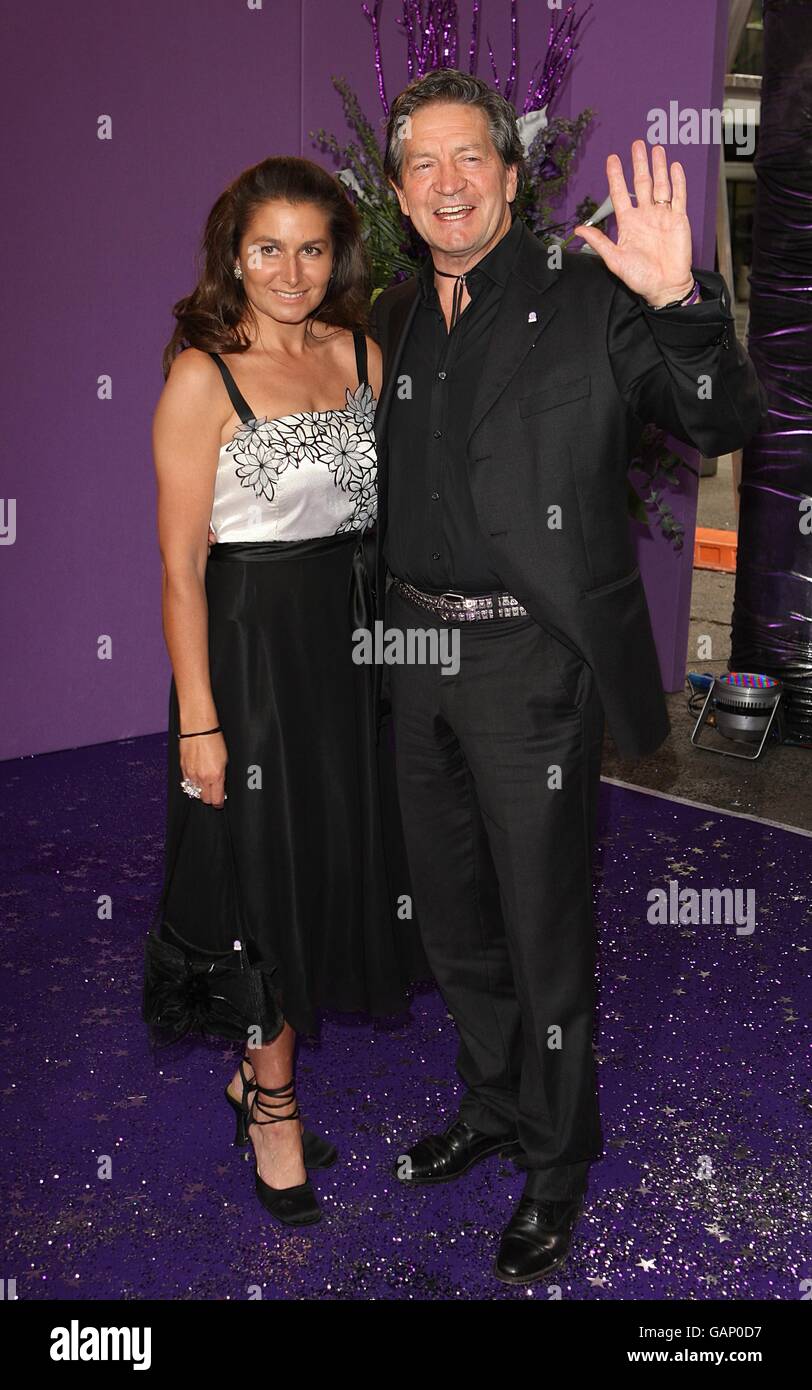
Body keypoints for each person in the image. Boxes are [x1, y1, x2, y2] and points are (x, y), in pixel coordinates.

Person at [368, 70, 768, 1284]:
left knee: (542, 926)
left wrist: (684, 299)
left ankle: (554, 1162)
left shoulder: (589, 288)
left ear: (507, 172)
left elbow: (720, 419)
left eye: (467, 160)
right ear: (397, 192)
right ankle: (491, 1102)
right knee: (450, 915)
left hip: (527, 660)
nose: (447, 183)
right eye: (422, 166)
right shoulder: (385, 314)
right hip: (411, 652)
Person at [146, 155, 425, 1229]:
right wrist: (202, 722)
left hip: (348, 652)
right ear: (232, 254)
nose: (291, 270)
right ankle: (272, 1106)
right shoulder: (197, 378)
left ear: (338, 254)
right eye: (268, 247)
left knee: (327, 864)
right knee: (258, 875)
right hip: (251, 656)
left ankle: (255, 1065)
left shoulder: (361, 353)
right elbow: (178, 571)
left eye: (312, 247)